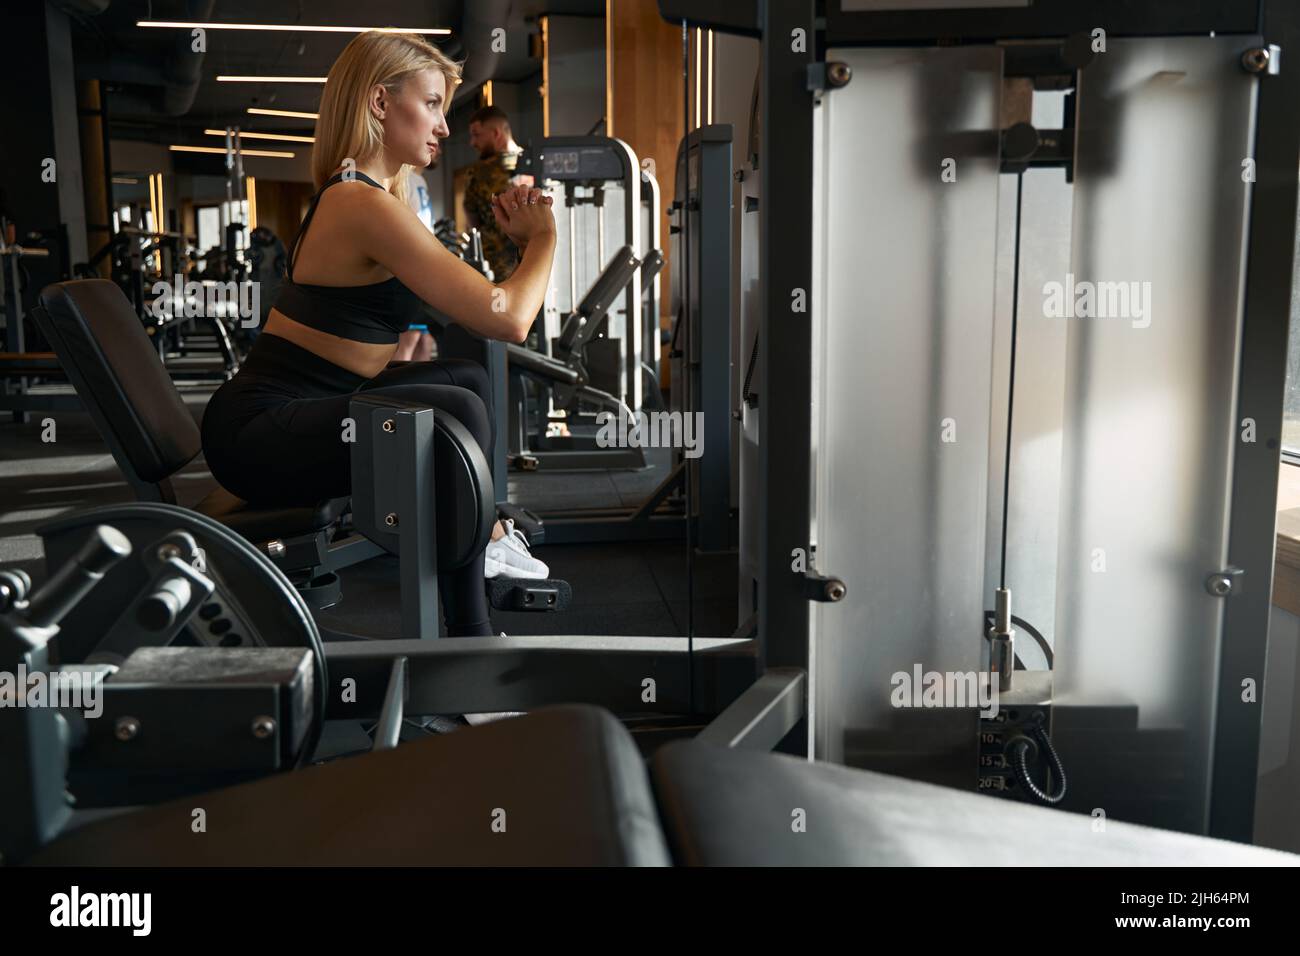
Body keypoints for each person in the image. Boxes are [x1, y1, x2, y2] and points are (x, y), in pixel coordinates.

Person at [201, 31, 555, 637]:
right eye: (434, 103)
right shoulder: (359, 204)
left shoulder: (368, 197)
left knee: (463, 378)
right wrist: (543, 238)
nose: (445, 125)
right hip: (258, 432)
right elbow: (509, 317)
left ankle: (486, 531)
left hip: (293, 414)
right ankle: (472, 636)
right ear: (380, 103)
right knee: (454, 408)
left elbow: (480, 304)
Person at [463, 105, 529, 282]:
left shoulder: (479, 172)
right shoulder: (535, 165)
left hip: (496, 272)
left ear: (496, 134)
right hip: (535, 268)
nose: (473, 142)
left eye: (476, 135)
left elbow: (473, 222)